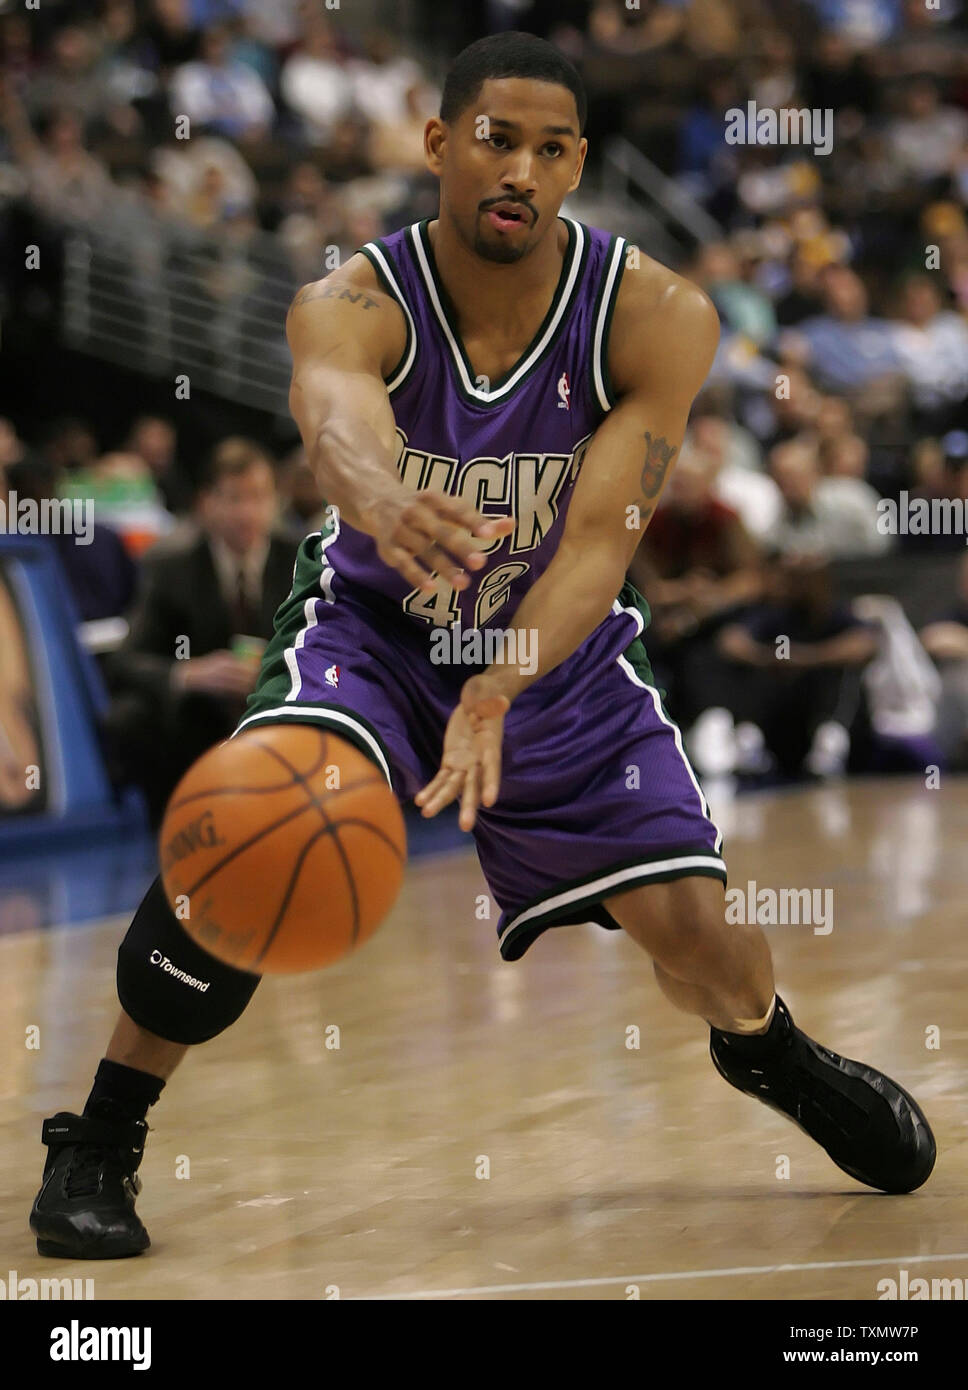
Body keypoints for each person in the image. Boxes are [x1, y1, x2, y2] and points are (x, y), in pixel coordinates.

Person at [29, 31, 935, 1262]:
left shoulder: (655, 316)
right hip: (376, 631)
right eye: (495, 139)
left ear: (573, 168)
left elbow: (594, 554)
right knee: (257, 836)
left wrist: (506, 678)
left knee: (697, 938)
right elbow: (333, 413)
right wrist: (385, 497)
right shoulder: (353, 296)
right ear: (438, 143)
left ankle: (766, 1045)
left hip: (552, 653)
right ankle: (101, 1131)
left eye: (550, 148)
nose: (518, 168)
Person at [102, 437, 298, 825]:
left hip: (285, 707)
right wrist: (189, 673)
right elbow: (124, 662)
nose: (247, 512)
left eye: (259, 497)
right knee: (128, 717)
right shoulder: (170, 567)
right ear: (206, 503)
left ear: (275, 500)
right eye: (234, 498)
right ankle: (171, 829)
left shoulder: (301, 558)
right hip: (203, 721)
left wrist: (282, 671)